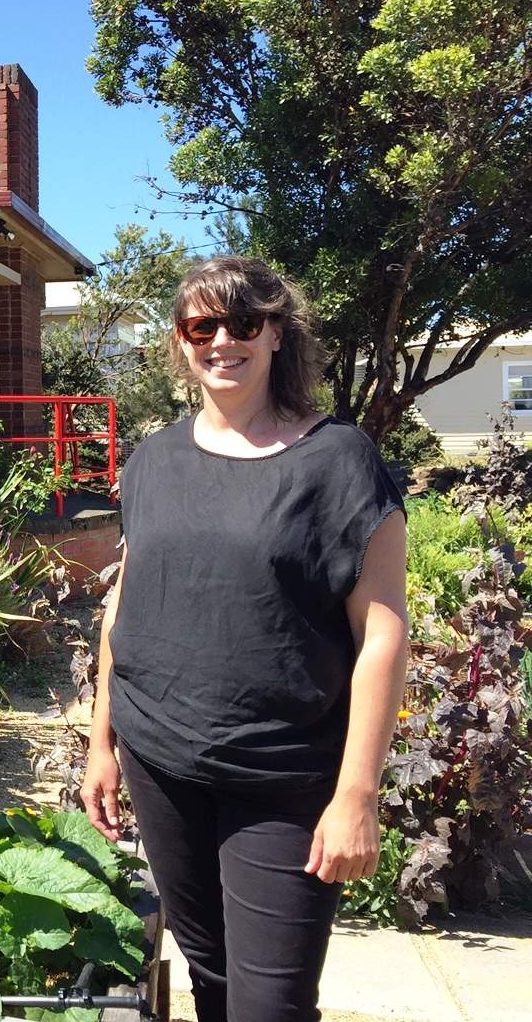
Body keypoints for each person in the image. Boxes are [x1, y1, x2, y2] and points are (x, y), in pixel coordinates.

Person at [81, 256, 407, 1022]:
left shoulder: (339, 460)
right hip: (163, 763)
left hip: (284, 777)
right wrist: (103, 743)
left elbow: (384, 632)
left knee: (274, 1002)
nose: (222, 340)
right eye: (202, 325)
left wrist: (357, 792)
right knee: (213, 978)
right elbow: (124, 601)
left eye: (243, 323)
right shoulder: (153, 460)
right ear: (180, 341)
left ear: (274, 335)